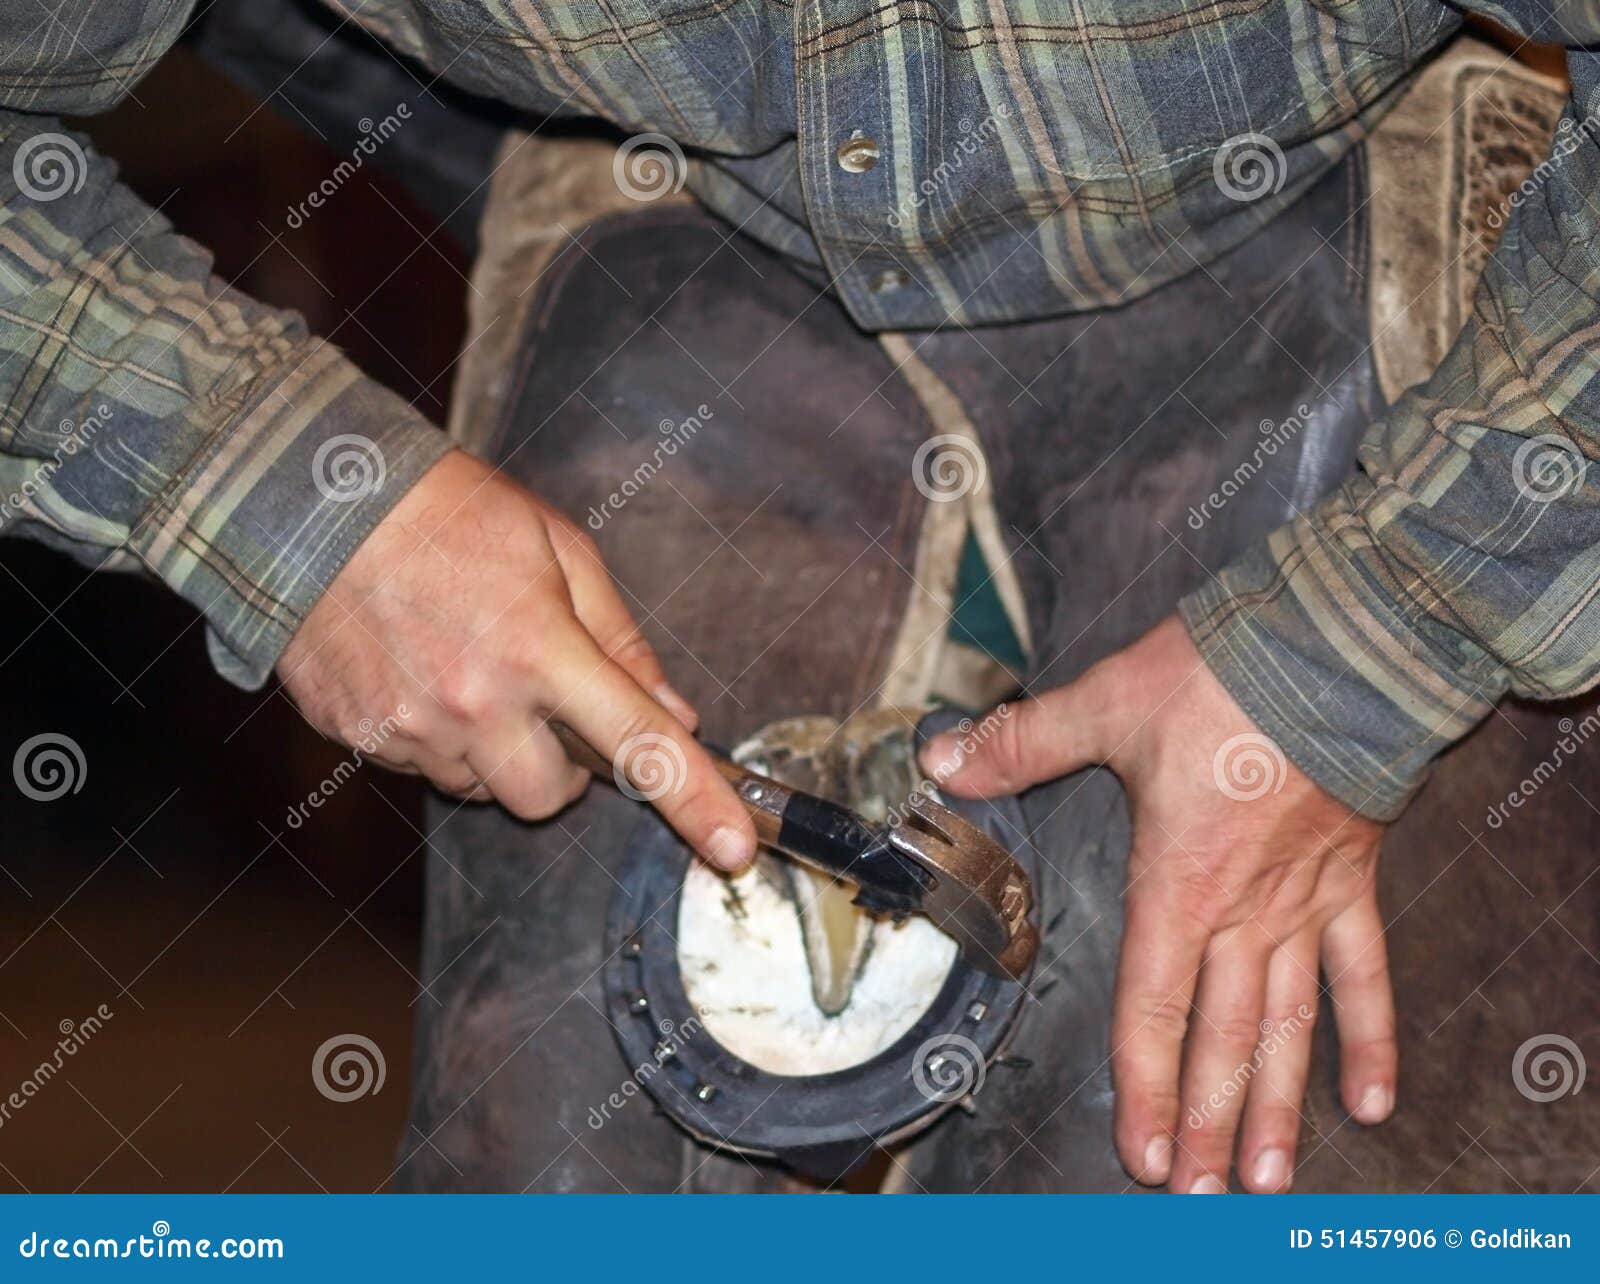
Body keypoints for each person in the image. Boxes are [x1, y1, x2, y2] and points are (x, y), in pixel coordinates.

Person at [2, 1, 1596, 1194]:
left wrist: (1387, 627)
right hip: (677, 197)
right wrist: (274, 479)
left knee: (1242, 1154)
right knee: (568, 1158)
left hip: (1321, 178)